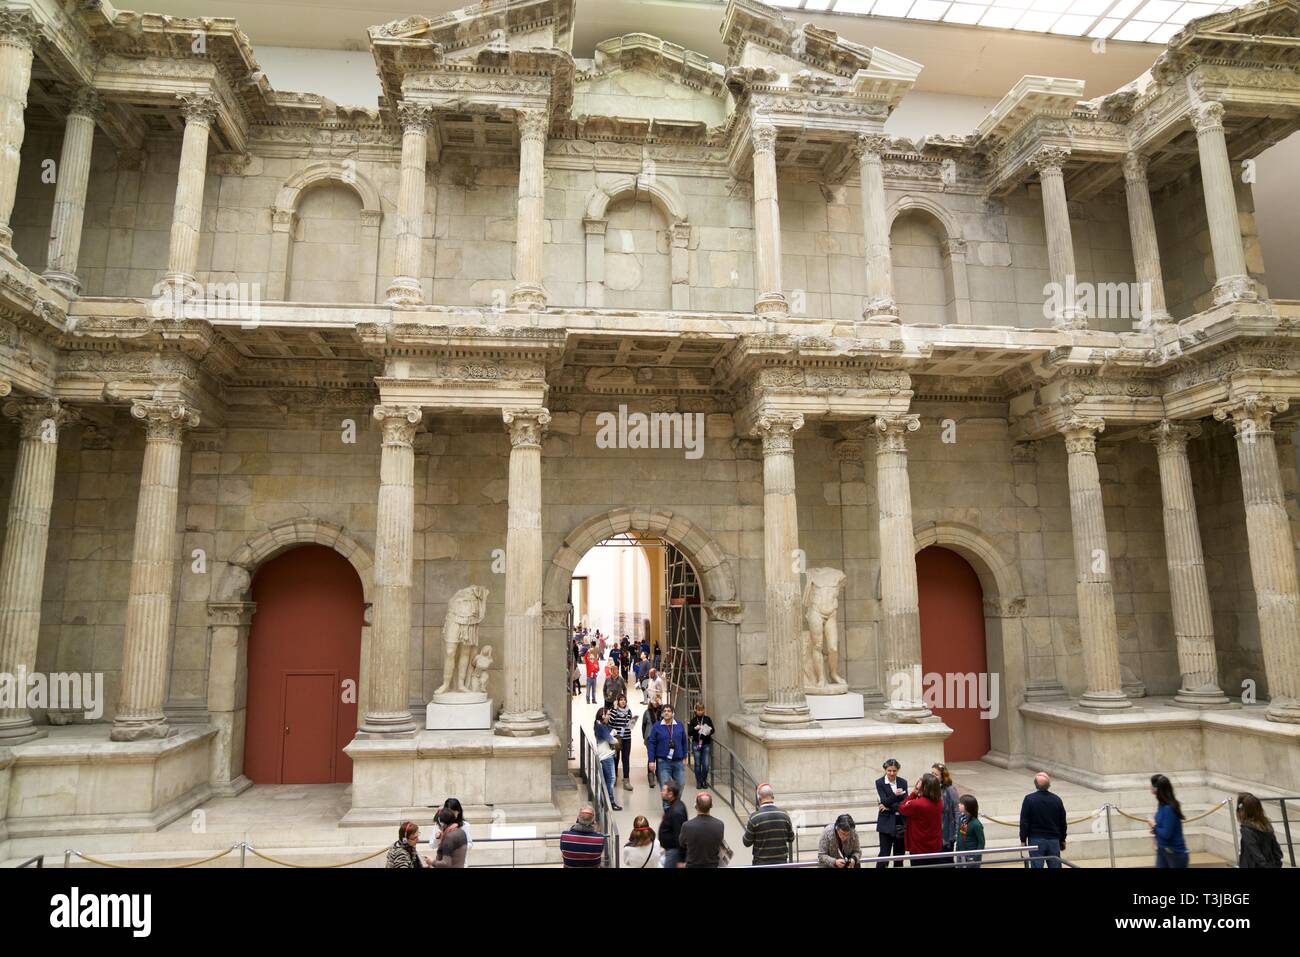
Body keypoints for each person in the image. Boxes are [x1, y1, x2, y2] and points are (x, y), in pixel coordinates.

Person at [1019, 771, 1068, 869]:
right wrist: (1063, 839)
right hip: (1053, 839)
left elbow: (1024, 821)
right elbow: (1062, 821)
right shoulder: (1056, 799)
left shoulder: (1029, 799)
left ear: (1035, 785)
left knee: (1036, 866)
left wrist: (1023, 839)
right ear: (1049, 785)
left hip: (1035, 839)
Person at [743, 783, 794, 865]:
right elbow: (791, 838)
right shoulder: (785, 815)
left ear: (759, 798)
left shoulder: (754, 818)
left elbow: (746, 842)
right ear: (772, 797)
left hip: (761, 864)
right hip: (781, 864)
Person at [899, 773, 944, 866]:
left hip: (918, 847)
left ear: (924, 787)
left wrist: (914, 792)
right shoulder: (939, 802)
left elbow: (902, 808)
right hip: (935, 846)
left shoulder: (917, 804)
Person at [646, 703, 689, 793]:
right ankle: (668, 807)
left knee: (681, 784)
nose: (666, 713)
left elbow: (684, 742)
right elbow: (651, 744)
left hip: (678, 761)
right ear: (662, 713)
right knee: (666, 788)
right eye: (664, 711)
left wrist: (685, 756)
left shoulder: (679, 725)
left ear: (673, 713)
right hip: (663, 762)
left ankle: (675, 805)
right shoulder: (657, 727)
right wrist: (651, 760)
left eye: (669, 711)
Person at [677, 792, 727, 868]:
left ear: (696, 806)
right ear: (711, 806)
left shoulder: (687, 826)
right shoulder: (720, 825)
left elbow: (682, 844)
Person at [1149, 774, 1188, 868]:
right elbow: (1162, 828)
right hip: (1163, 850)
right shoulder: (1162, 805)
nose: (1149, 787)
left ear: (1156, 789)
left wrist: (1154, 826)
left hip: (1174, 853)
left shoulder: (1168, 808)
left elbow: (1167, 834)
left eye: (1151, 785)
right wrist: (1155, 830)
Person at [875, 758, 908, 868]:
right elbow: (884, 800)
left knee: (899, 856)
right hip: (886, 823)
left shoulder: (903, 782)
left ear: (897, 770)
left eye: (894, 770)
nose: (892, 773)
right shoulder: (880, 782)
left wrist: (889, 807)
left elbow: (905, 802)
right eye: (889, 770)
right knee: (884, 855)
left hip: (900, 822)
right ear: (885, 770)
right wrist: (895, 794)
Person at [1236, 792, 1284, 868]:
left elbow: (1255, 852)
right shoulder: (1266, 824)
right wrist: (1277, 863)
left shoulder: (1246, 829)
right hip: (1271, 863)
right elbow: (1276, 848)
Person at [593, 707, 623, 811]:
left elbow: (611, 732)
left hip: (606, 755)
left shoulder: (601, 726)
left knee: (606, 780)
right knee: (611, 779)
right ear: (603, 715)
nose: (609, 716)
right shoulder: (600, 727)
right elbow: (612, 740)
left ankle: (604, 800)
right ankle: (611, 802)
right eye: (608, 714)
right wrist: (614, 737)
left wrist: (612, 733)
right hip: (606, 756)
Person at [608, 693, 635, 792]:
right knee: (615, 758)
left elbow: (631, 726)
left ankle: (626, 780)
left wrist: (631, 722)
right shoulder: (614, 711)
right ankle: (613, 778)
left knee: (626, 759)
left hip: (627, 738)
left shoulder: (629, 711)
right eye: (621, 700)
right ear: (618, 701)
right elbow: (610, 723)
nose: (623, 701)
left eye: (624, 700)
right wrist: (614, 712)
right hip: (616, 738)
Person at [658, 780, 688, 868]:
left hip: (674, 852)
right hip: (671, 850)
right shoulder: (674, 805)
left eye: (664, 790)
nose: (661, 792)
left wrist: (681, 860)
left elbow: (680, 836)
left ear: (670, 794)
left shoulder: (676, 812)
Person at [933, 763, 960, 852]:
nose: (933, 776)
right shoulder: (932, 788)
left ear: (942, 776)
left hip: (946, 830)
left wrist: (956, 831)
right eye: (931, 773)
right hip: (935, 830)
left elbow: (956, 810)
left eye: (935, 774)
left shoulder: (950, 789)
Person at [689, 700, 715, 790]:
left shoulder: (707, 719)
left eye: (701, 710)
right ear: (695, 710)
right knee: (697, 763)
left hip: (706, 743)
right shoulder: (693, 720)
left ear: (704, 710)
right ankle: (699, 781)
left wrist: (708, 731)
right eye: (698, 710)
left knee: (706, 764)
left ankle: (704, 780)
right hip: (696, 743)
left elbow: (713, 730)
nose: (700, 712)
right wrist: (695, 728)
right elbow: (689, 732)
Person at [956, 795, 985, 868]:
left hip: (971, 856)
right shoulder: (962, 819)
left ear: (967, 807)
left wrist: (975, 857)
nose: (958, 805)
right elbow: (961, 835)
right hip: (961, 854)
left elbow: (981, 842)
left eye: (961, 804)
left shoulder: (976, 824)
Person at [640, 700, 661, 787]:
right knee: (651, 756)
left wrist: (661, 706)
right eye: (654, 700)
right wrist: (644, 737)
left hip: (660, 737)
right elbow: (643, 725)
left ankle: (659, 774)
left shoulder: (662, 711)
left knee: (659, 756)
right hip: (650, 737)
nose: (655, 702)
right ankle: (651, 777)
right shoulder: (647, 712)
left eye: (657, 700)